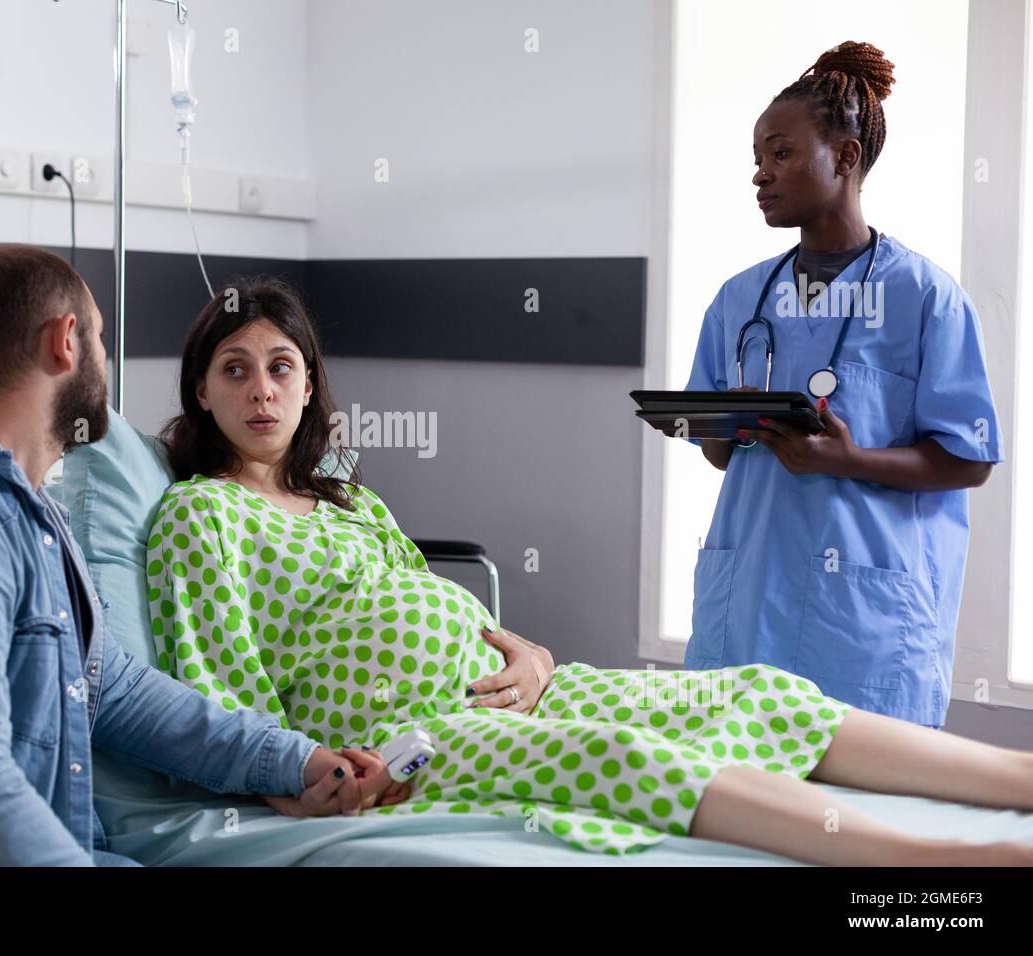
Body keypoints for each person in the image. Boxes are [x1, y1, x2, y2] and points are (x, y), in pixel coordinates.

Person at [145, 275, 1033, 865]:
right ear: (201, 391)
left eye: (280, 367)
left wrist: (531, 657)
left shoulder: (345, 497)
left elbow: (427, 606)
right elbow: (220, 689)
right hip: (397, 742)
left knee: (752, 693)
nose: (261, 390)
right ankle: (933, 861)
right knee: (616, 756)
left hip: (506, 685)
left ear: (309, 389)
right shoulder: (201, 516)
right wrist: (302, 776)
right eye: (235, 370)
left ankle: (1018, 781)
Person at [0, 245, 391, 867]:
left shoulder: (36, 516)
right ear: (66, 341)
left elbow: (114, 690)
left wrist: (294, 761)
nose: (104, 361)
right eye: (99, 338)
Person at [685, 42, 1002, 728]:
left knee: (864, 811)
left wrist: (847, 460)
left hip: (864, 623)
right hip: (747, 605)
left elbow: (970, 460)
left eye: (780, 154)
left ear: (847, 157)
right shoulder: (739, 299)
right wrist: (724, 424)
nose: (760, 175)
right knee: (734, 805)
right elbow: (718, 454)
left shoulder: (925, 299)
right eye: (757, 159)